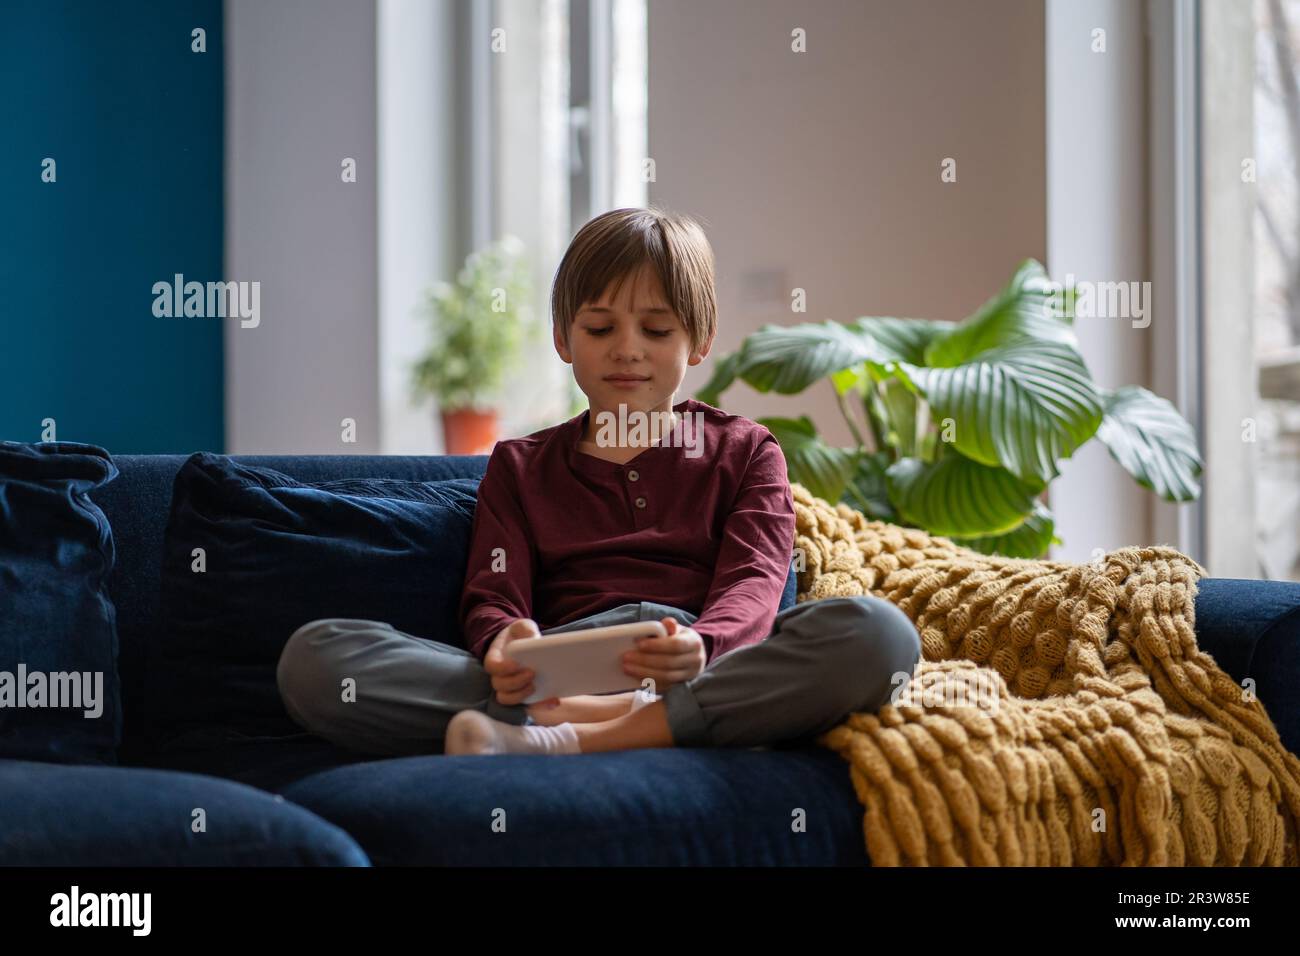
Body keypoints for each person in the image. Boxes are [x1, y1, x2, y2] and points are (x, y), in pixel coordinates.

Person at [276, 206, 921, 757]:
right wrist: (506, 641)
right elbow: (494, 589)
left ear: (699, 341)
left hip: (694, 669)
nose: (628, 349)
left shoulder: (747, 452)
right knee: (316, 658)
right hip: (560, 669)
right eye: (600, 327)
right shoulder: (520, 465)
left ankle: (562, 739)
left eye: (657, 328)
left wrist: (702, 646)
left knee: (880, 636)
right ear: (563, 338)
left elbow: (754, 585)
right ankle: (612, 723)